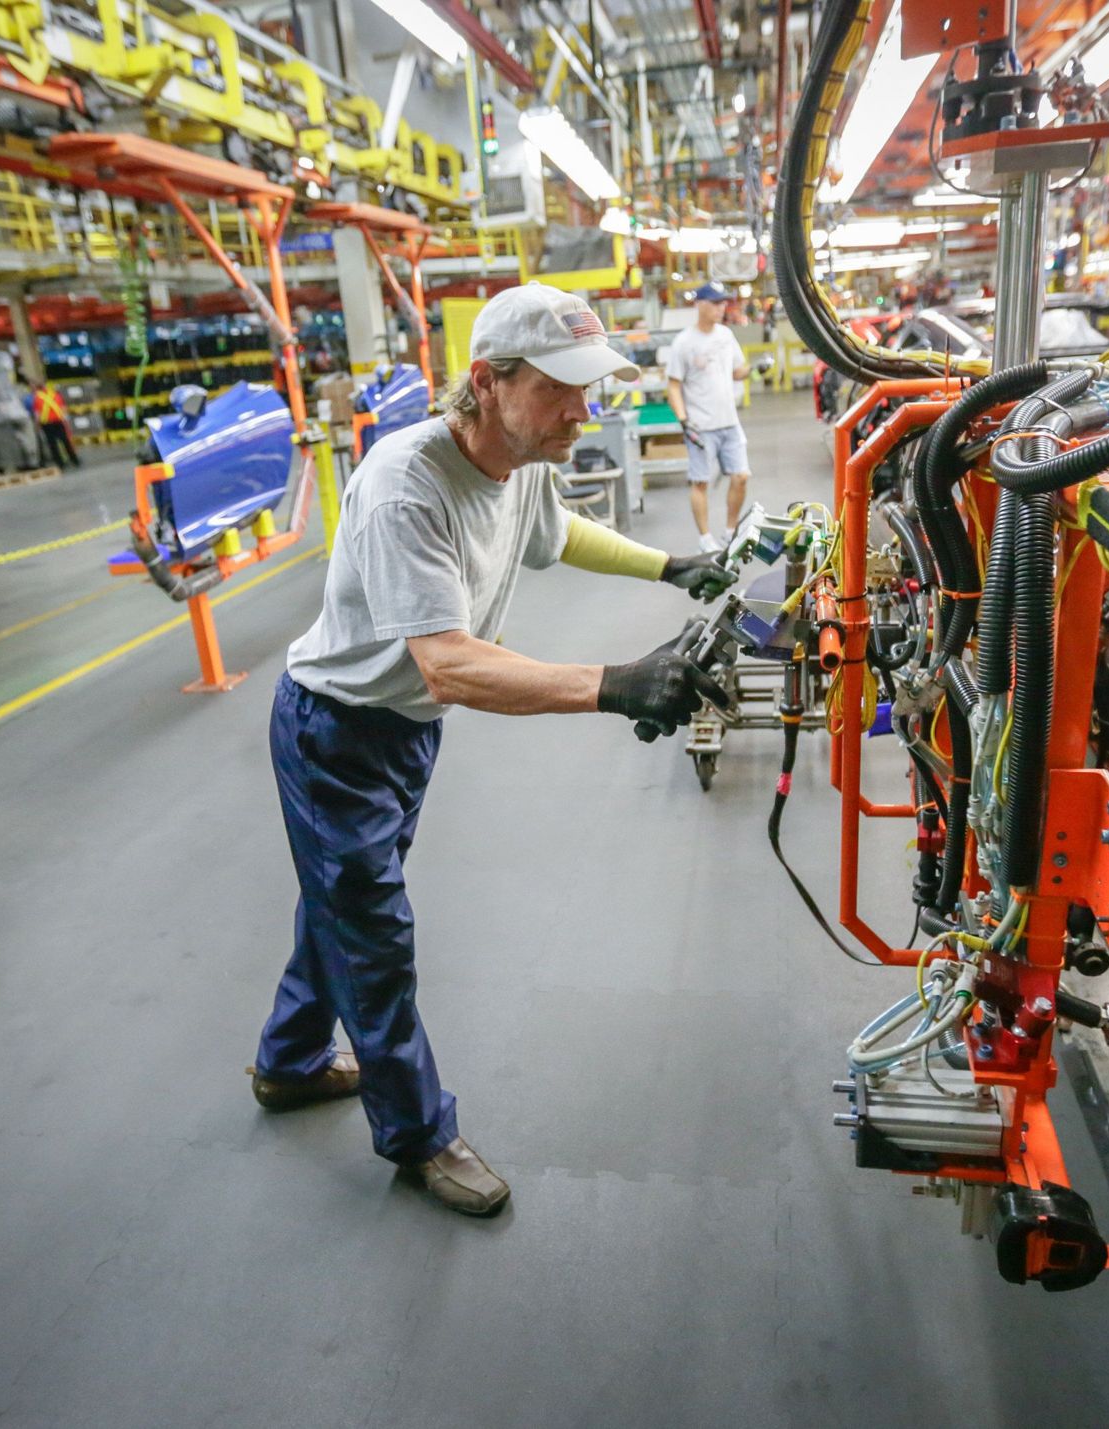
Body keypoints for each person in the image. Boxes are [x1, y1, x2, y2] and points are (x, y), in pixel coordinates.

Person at [250, 282, 732, 1216]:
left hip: (401, 736)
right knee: (375, 933)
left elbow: (557, 536)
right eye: (563, 390)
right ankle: (419, 1134)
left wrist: (668, 564)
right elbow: (452, 668)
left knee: (342, 902)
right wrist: (612, 683)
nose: (581, 413)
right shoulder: (406, 486)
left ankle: (288, 1059)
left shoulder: (525, 458)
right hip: (335, 733)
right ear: (489, 382)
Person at [663, 280, 751, 552]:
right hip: (700, 426)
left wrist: (752, 369)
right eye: (715, 303)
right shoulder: (684, 343)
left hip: (729, 422)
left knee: (741, 476)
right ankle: (705, 539)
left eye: (723, 303)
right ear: (699, 304)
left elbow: (737, 369)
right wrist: (683, 420)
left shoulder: (725, 335)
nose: (721, 308)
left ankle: (729, 531)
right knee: (700, 482)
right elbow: (674, 384)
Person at [28, 379, 80, 470]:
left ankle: (60, 464)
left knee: (53, 444)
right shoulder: (55, 395)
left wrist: (36, 426)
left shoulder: (37, 398)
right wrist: (65, 420)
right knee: (65, 441)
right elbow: (63, 408)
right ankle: (74, 460)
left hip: (47, 424)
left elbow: (37, 415)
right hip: (58, 421)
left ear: (36, 388)